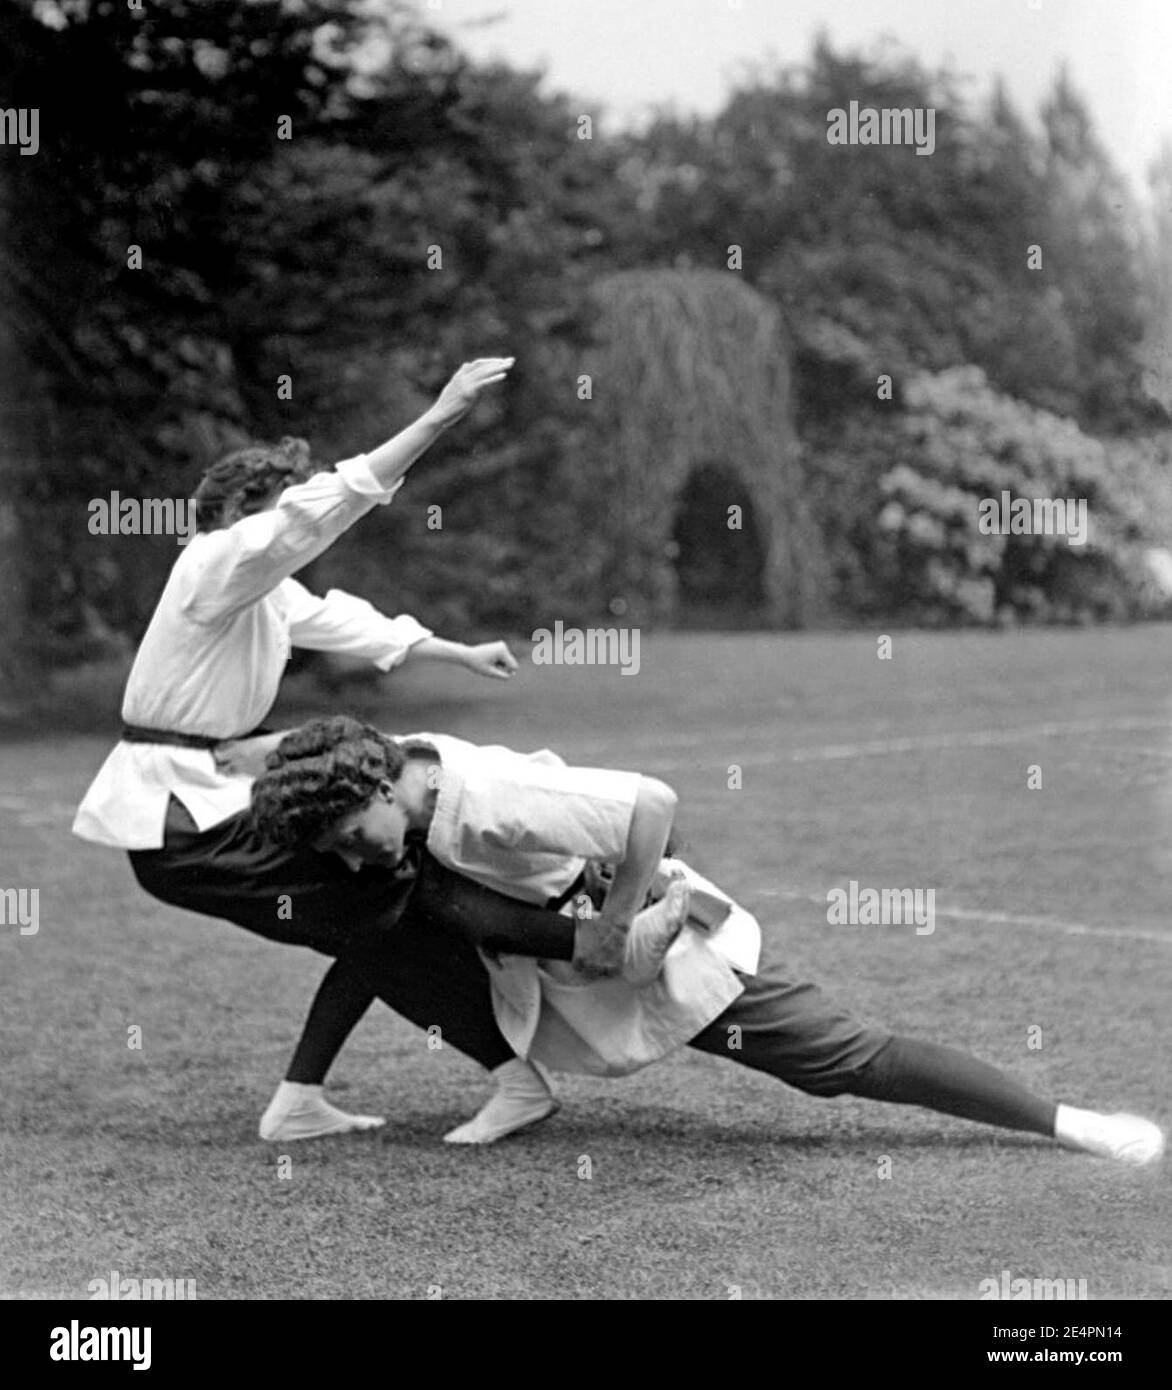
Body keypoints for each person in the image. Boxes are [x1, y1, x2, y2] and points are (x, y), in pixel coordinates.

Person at [72, 358, 680, 1147]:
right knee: (400, 892)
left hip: (202, 802)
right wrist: (436, 419)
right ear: (237, 515)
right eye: (280, 508)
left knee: (371, 911)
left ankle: (307, 1101)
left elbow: (339, 620)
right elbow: (310, 519)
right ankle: (587, 964)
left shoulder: (259, 594)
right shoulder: (210, 566)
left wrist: (453, 652)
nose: (295, 524)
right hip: (183, 822)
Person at [250, 716, 1166, 1168]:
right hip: (558, 953)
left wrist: (616, 927)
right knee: (376, 930)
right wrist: (235, 753)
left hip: (647, 946)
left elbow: (652, 803)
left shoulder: (480, 801)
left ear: (372, 790)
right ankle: (506, 1087)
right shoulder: (392, 770)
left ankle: (1066, 1122)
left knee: (843, 1059)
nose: (348, 855)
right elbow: (320, 758)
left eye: (342, 834)